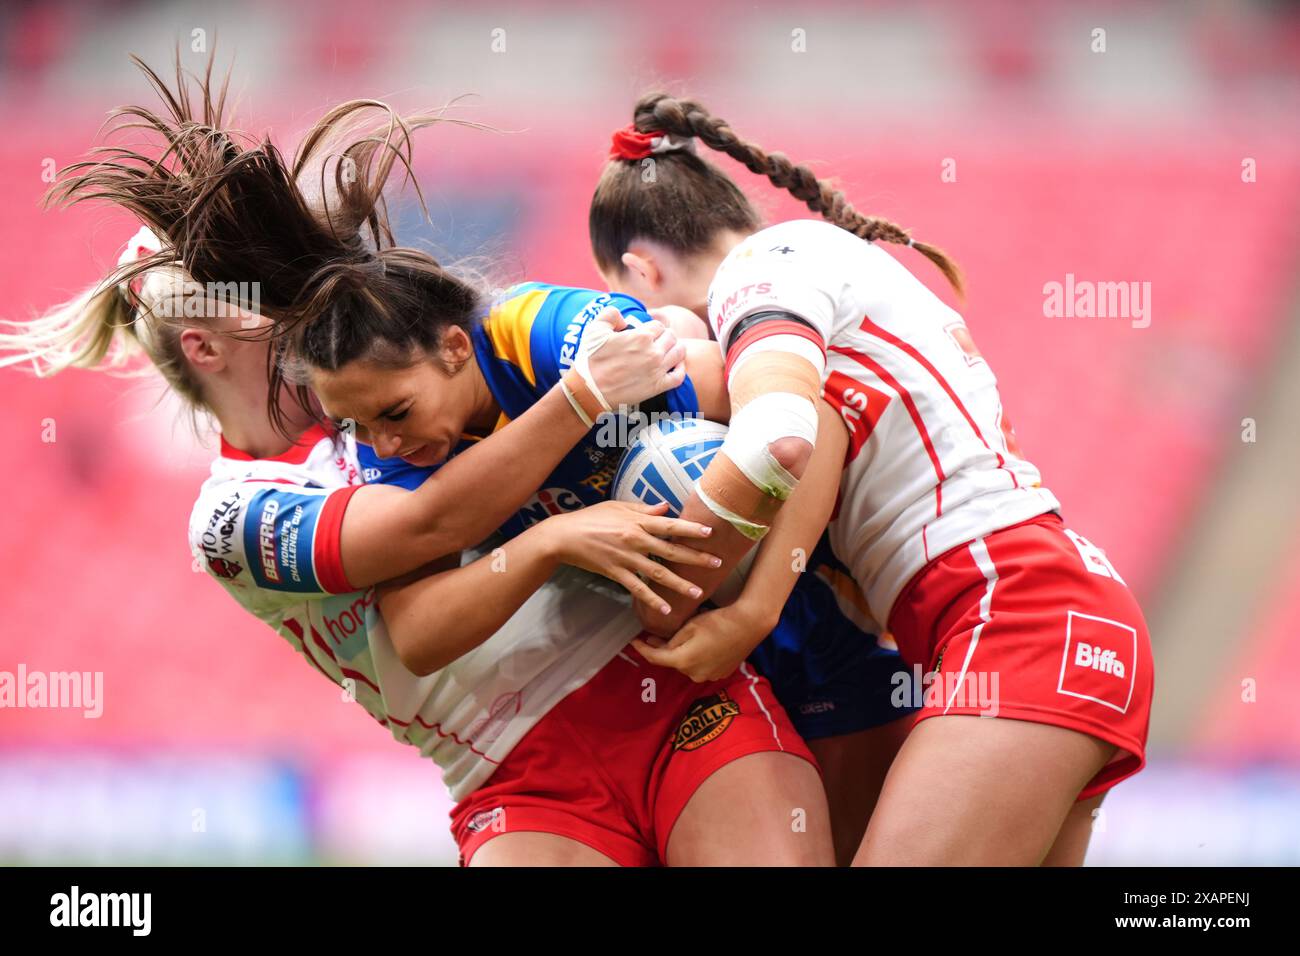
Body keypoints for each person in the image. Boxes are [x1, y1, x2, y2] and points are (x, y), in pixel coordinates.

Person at [0, 59, 833, 866]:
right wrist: (573, 439)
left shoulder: (384, 397)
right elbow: (426, 531)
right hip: (510, 769)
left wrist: (673, 352)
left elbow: (635, 366)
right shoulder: (235, 513)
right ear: (204, 345)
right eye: (266, 298)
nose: (301, 304)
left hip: (658, 682)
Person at [585, 93, 1155, 866]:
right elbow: (820, 428)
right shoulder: (821, 262)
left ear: (638, 270)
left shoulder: (758, 277)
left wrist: (688, 602)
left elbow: (778, 437)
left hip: (1010, 614)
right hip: (1045, 610)